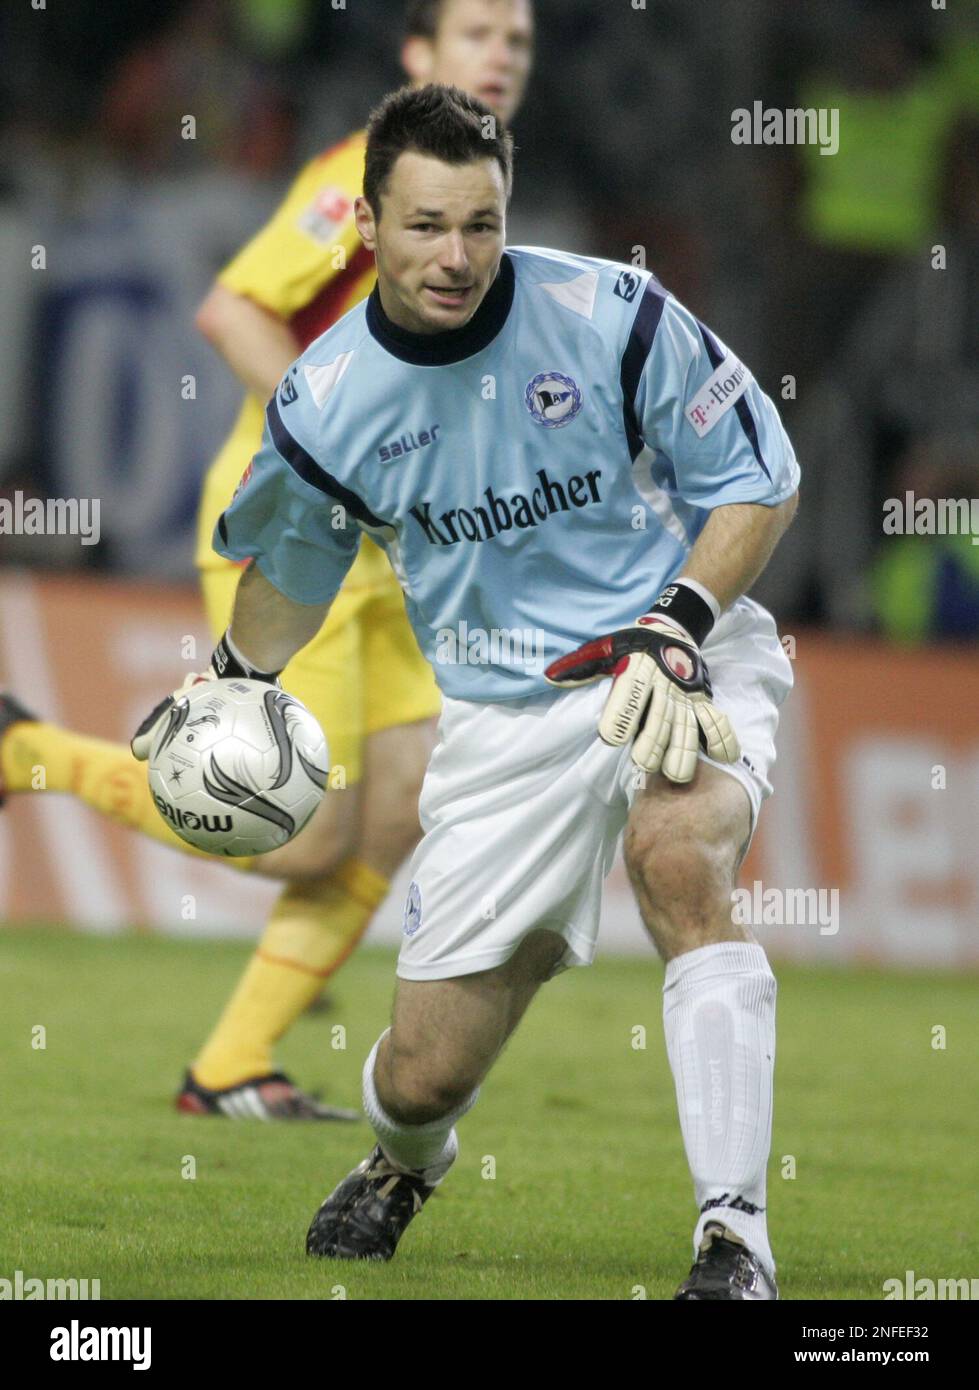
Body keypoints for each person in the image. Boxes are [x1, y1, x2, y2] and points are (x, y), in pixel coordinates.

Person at [135, 83, 800, 1298]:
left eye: (482, 223)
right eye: (429, 225)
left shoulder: (606, 312)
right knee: (420, 1075)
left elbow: (757, 476)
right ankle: (403, 1162)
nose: (458, 256)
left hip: (669, 654)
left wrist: (677, 623)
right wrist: (233, 680)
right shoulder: (327, 401)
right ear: (370, 230)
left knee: (679, 858)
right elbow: (289, 569)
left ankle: (733, 1237)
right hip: (501, 719)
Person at [0, 0, 535, 1121]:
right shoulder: (361, 177)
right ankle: (26, 750)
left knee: (399, 814)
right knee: (305, 838)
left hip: (411, 556)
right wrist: (345, 450)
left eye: (517, 40)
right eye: (477, 33)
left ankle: (231, 1066)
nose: (499, 55)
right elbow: (232, 308)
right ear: (418, 58)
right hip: (301, 530)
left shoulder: (487, 208)